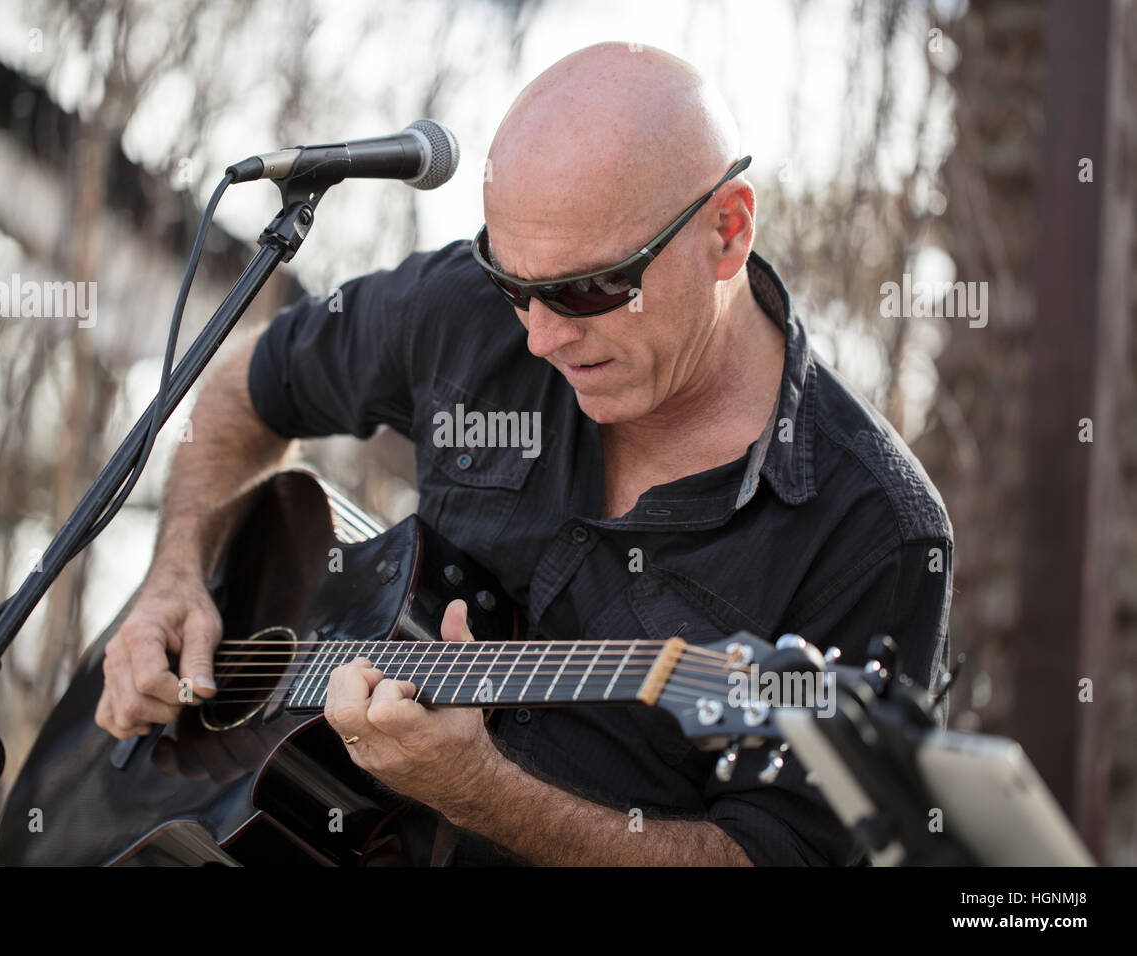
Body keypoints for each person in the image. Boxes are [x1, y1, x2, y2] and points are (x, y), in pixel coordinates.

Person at [94, 42, 953, 866]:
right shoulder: (459, 313)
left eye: (588, 288)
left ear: (726, 233)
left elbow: (781, 857)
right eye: (513, 283)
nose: (541, 335)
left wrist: (483, 792)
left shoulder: (876, 529)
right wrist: (173, 573)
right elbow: (246, 385)